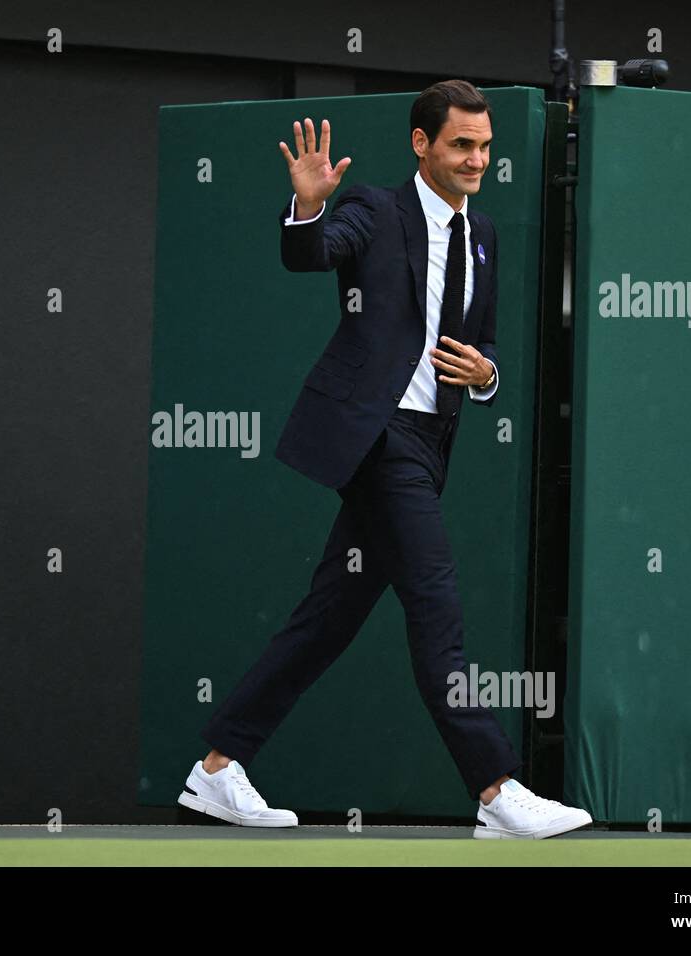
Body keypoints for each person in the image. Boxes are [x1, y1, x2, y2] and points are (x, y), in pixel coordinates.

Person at [177, 80, 592, 839]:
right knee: (437, 608)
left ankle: (217, 769)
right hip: (379, 439)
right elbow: (312, 254)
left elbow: (486, 342)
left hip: (432, 441)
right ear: (421, 144)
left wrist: (487, 374)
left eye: (486, 146)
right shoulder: (372, 207)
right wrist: (307, 206)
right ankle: (496, 787)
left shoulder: (485, 236)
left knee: (327, 619)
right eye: (461, 145)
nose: (477, 159)